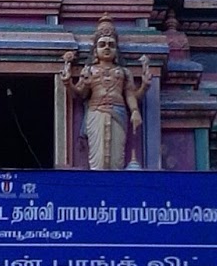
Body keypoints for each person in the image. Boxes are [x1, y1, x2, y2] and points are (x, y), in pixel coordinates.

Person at [61, 17, 150, 171]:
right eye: (102, 44)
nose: (107, 48)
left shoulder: (123, 71)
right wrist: (68, 82)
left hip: (119, 112)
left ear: (116, 50)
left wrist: (142, 91)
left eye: (111, 45)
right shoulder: (89, 70)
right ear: (95, 50)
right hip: (96, 112)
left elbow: (130, 95)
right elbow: (80, 93)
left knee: (117, 155)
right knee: (98, 156)